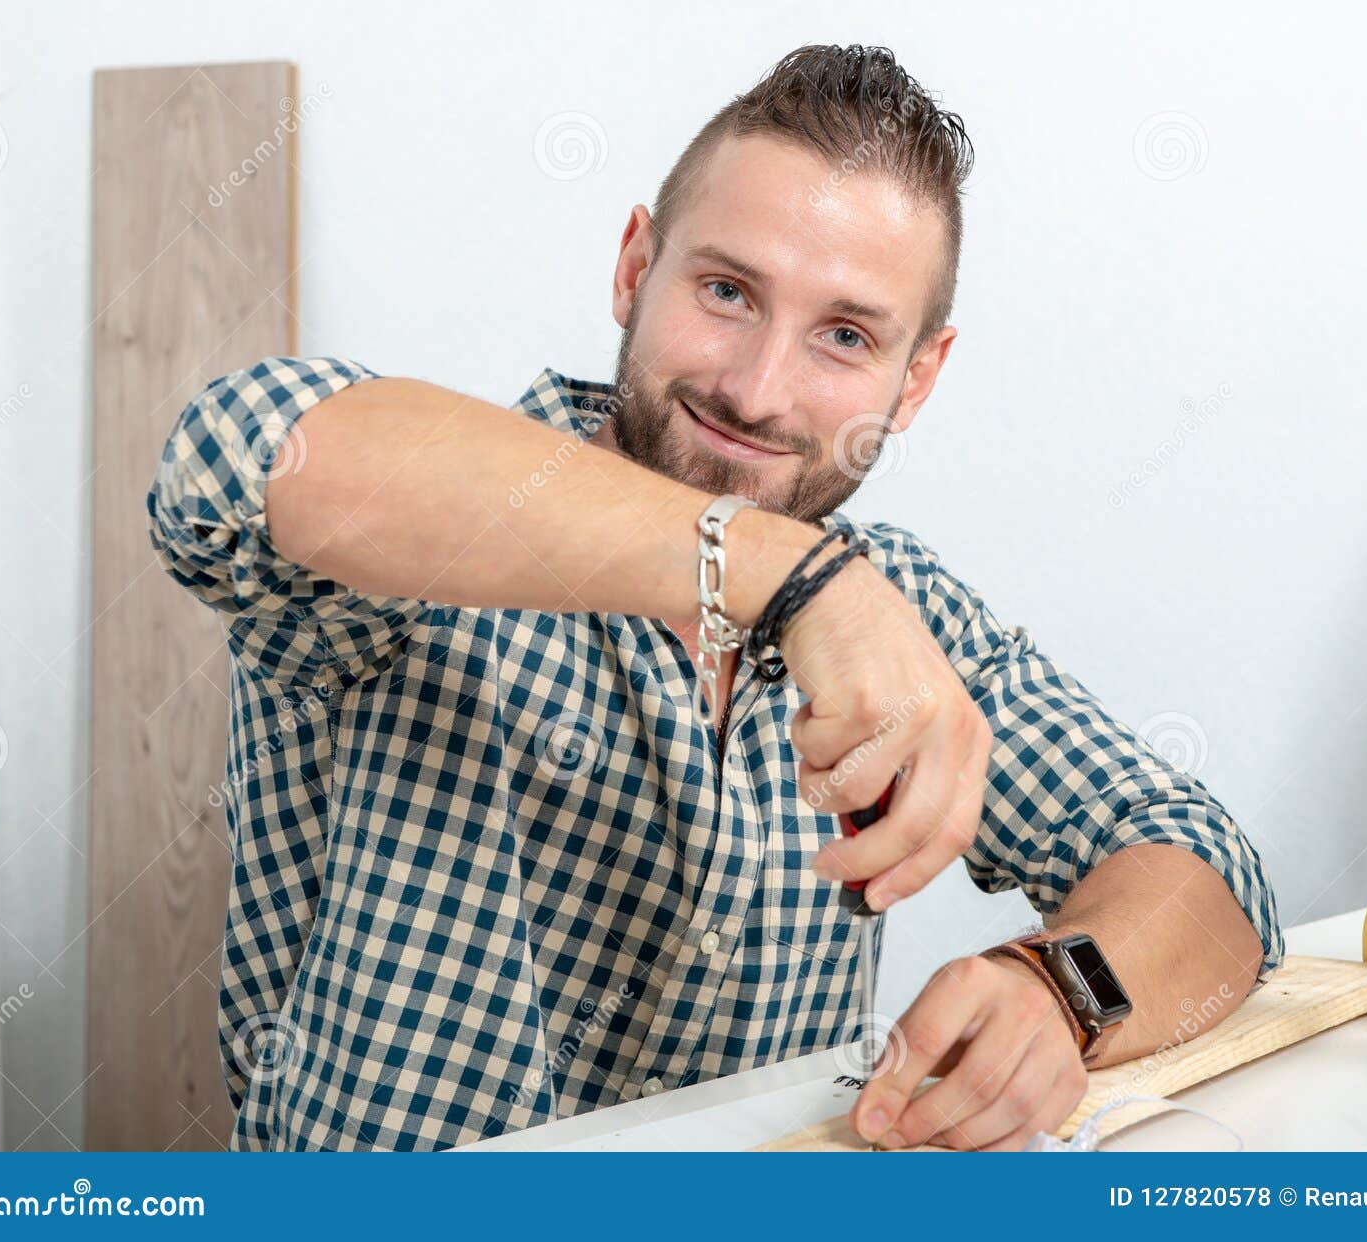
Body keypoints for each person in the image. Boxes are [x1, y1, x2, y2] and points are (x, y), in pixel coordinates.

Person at [146, 43, 1281, 1152]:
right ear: (635, 267)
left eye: (844, 335)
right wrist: (794, 579)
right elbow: (228, 460)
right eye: (728, 290)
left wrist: (1059, 991)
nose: (757, 389)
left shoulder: (914, 623)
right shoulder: (445, 534)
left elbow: (1203, 863)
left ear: (916, 379)